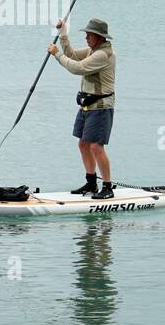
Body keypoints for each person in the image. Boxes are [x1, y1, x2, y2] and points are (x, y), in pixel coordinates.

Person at [48, 17, 116, 199]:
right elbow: (72, 55)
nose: (86, 37)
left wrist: (56, 54)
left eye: (89, 34)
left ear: (99, 37)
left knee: (96, 146)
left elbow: (77, 68)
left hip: (101, 107)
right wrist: (63, 35)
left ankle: (107, 187)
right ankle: (91, 183)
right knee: (83, 144)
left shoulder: (102, 55)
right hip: (87, 105)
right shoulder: (93, 50)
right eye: (86, 34)